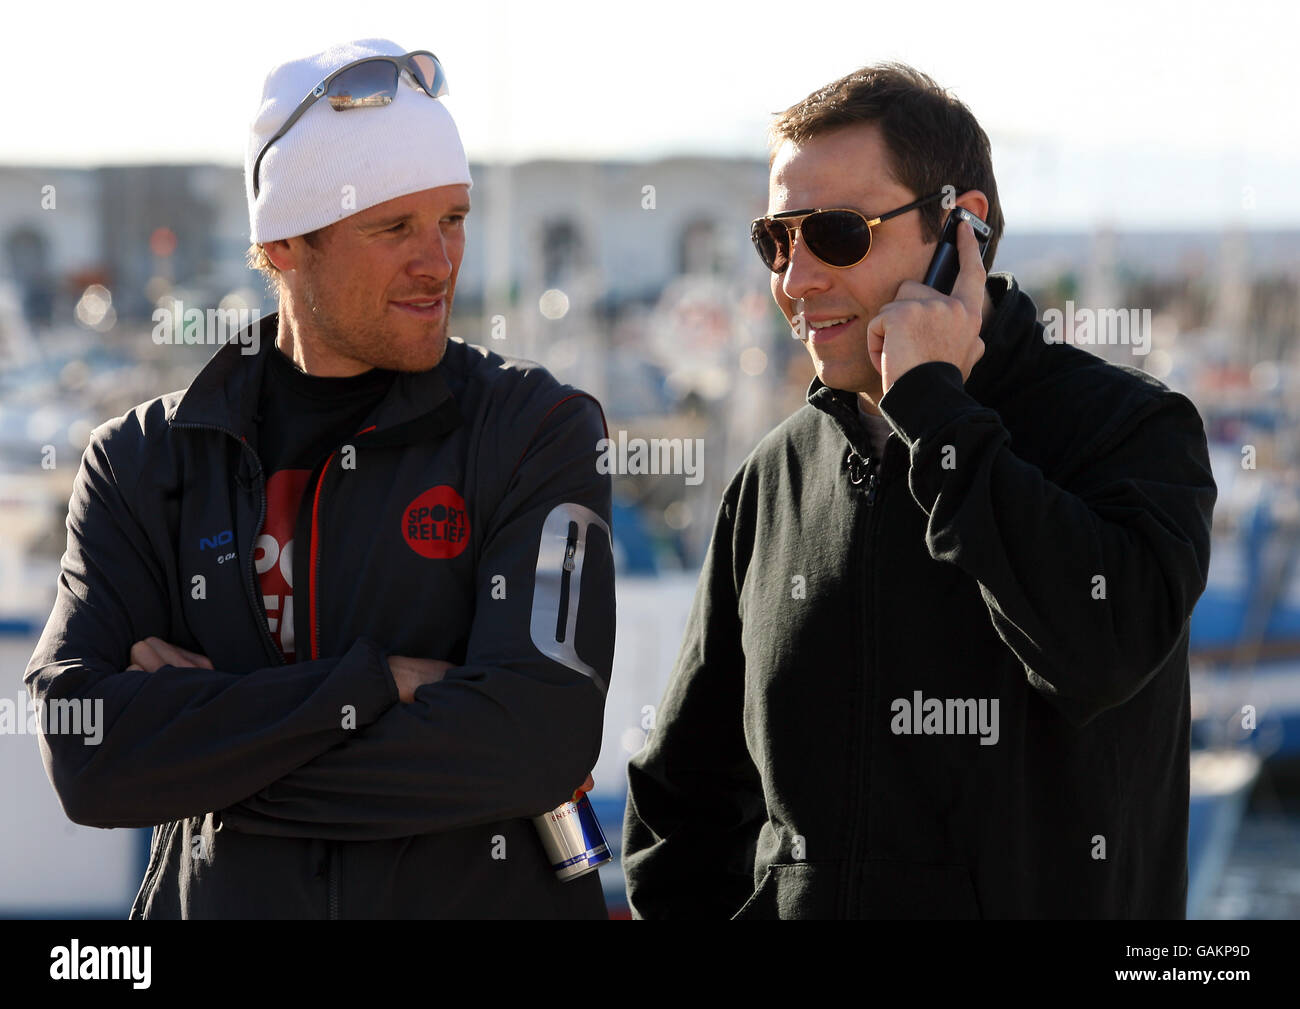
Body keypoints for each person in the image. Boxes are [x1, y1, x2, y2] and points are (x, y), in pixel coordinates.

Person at [25, 39, 616, 919]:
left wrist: (201, 744)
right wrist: (386, 682)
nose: (439, 260)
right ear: (285, 242)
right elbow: (86, 751)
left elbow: (535, 740)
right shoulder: (145, 460)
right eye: (394, 228)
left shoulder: (536, 429)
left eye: (452, 219)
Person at [622, 63, 1216, 919]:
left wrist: (938, 414)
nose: (795, 279)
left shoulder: (1128, 430)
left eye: (835, 232)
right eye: (776, 241)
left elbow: (1103, 652)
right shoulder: (774, 477)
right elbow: (683, 802)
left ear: (962, 228)